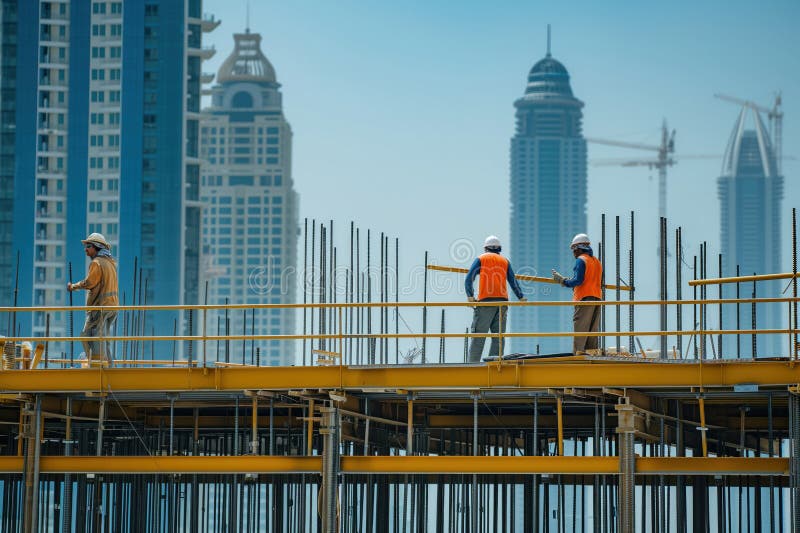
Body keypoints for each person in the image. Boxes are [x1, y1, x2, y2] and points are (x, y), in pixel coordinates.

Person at [465, 235, 526, 362]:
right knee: (498, 337)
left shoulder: (481, 259)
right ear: (499, 249)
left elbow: (469, 278)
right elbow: (513, 281)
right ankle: (493, 365)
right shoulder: (504, 261)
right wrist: (521, 297)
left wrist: (470, 296)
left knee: (479, 336)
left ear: (485, 248)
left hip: (486, 302)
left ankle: (472, 366)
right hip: (502, 303)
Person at [67, 233, 119, 366]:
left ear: (96, 247)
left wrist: (74, 286)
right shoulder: (111, 263)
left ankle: (96, 366)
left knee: (89, 336)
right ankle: (109, 366)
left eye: (88, 246)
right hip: (112, 307)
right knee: (103, 340)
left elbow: (90, 282)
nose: (86, 249)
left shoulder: (97, 263)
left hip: (99, 307)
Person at [552, 233, 603, 354]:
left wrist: (563, 281)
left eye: (574, 250)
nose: (573, 253)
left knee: (581, 327)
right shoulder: (596, 262)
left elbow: (578, 280)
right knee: (592, 330)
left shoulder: (581, 260)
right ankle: (592, 353)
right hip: (597, 298)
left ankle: (578, 354)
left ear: (579, 248)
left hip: (584, 298)